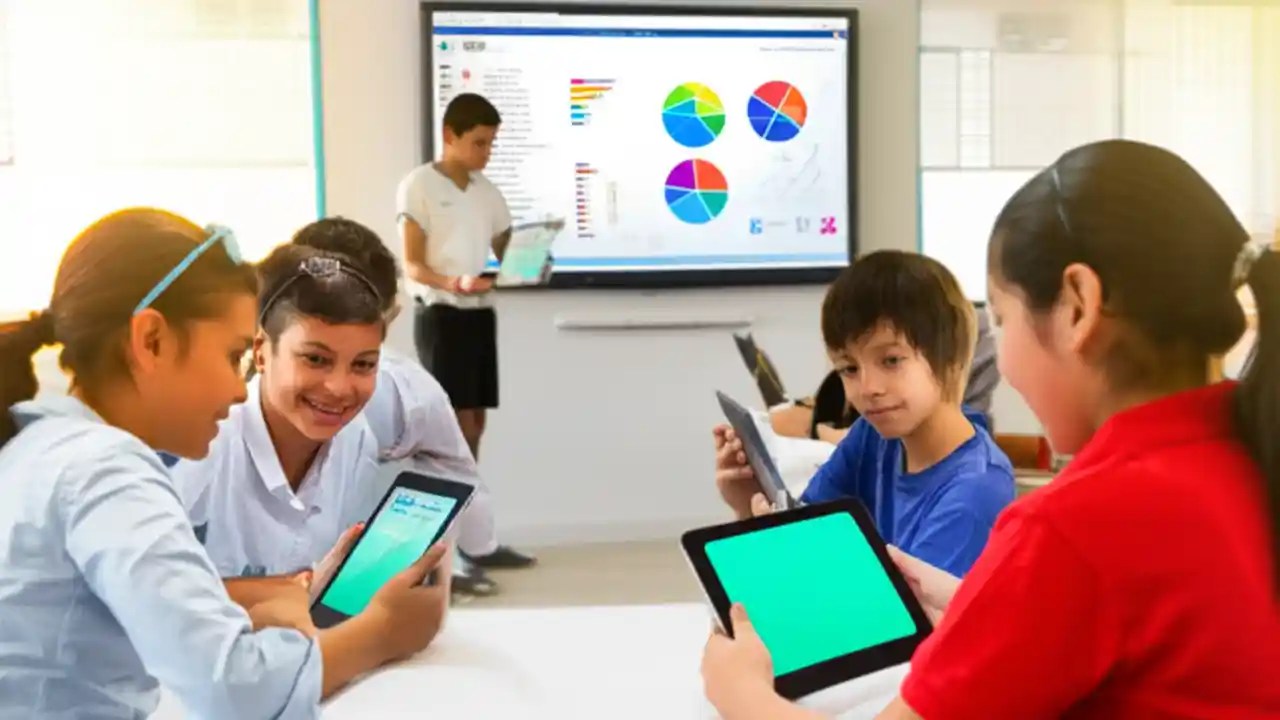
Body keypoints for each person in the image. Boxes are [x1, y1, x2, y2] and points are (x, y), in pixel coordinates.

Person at [702, 140, 1280, 718]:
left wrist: (742, 692)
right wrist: (974, 605)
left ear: (1077, 306)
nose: (999, 363)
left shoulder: (1074, 528)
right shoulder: (1247, 449)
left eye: (1001, 320)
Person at [0, 209, 446, 717]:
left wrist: (287, 597)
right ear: (152, 342)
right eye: (233, 356)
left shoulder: (40, 444)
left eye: (363, 364)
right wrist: (380, 631)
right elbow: (234, 691)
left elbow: (148, 609)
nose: (239, 391)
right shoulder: (105, 469)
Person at [715, 251, 1015, 577]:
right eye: (849, 368)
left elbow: (909, 624)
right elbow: (803, 539)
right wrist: (748, 502)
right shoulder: (872, 436)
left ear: (951, 358)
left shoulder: (974, 492)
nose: (868, 388)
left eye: (891, 361)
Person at [291, 217, 535, 594]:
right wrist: (477, 548)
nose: (338, 388)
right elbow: (459, 472)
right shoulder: (409, 392)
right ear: (393, 312)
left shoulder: (394, 396)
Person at [398, 92, 510, 473]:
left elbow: (507, 249)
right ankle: (449, 520)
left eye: (491, 143)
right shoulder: (419, 184)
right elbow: (412, 265)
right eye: (479, 142)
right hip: (441, 316)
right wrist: (453, 282)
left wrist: (532, 257)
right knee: (451, 424)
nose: (487, 152)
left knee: (476, 422)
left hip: (479, 315)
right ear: (450, 134)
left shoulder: (487, 192)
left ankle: (471, 513)